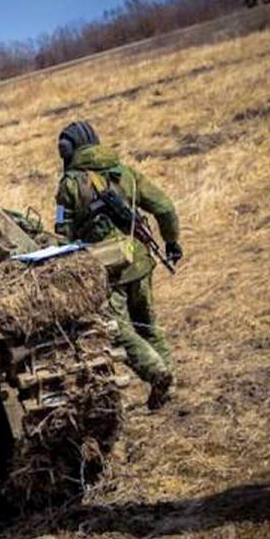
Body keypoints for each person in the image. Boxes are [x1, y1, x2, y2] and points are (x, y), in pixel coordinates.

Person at [54, 121, 183, 410]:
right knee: (148, 323)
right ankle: (167, 381)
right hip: (140, 260)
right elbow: (164, 208)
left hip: (108, 270)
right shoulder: (124, 173)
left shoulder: (70, 184)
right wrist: (171, 242)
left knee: (117, 328)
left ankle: (158, 373)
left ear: (68, 150)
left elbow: (61, 234)